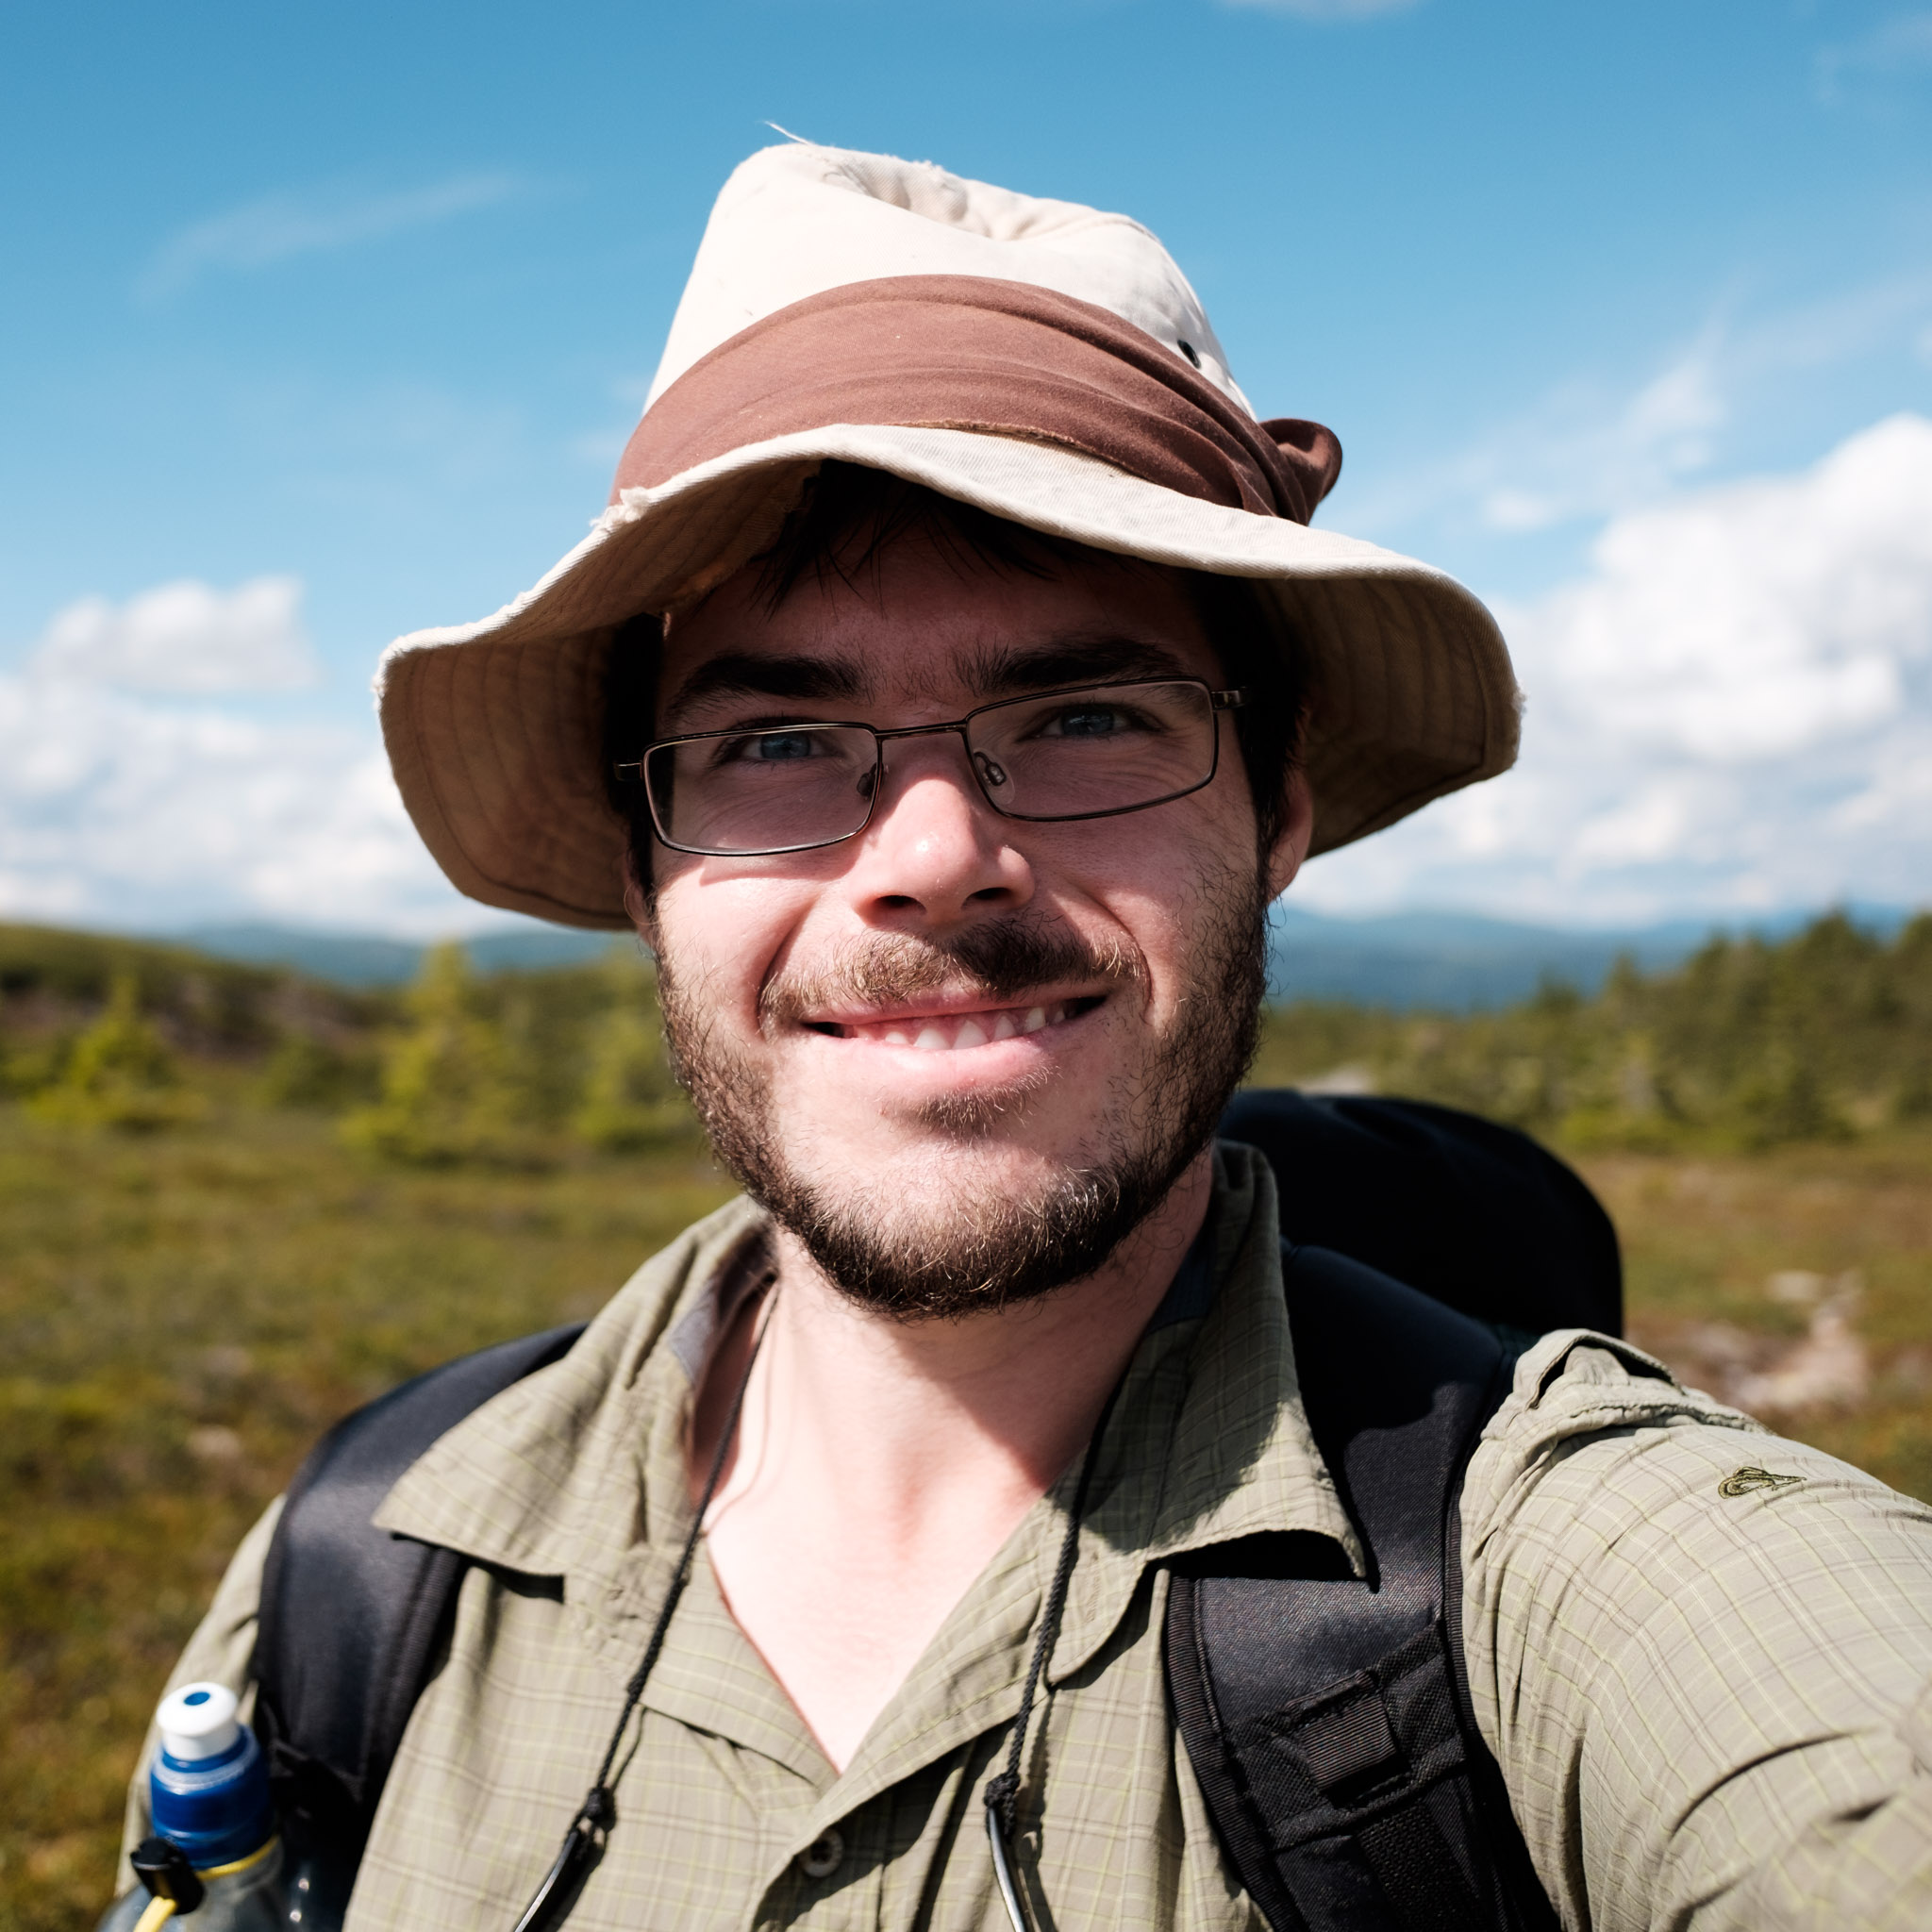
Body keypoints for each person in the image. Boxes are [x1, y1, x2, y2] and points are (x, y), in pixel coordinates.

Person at [125, 142, 1932, 1930]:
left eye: (1081, 713)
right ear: (643, 859)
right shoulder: (363, 1565)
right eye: (770, 743)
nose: (929, 861)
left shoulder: (1573, 1572)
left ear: (1279, 805)